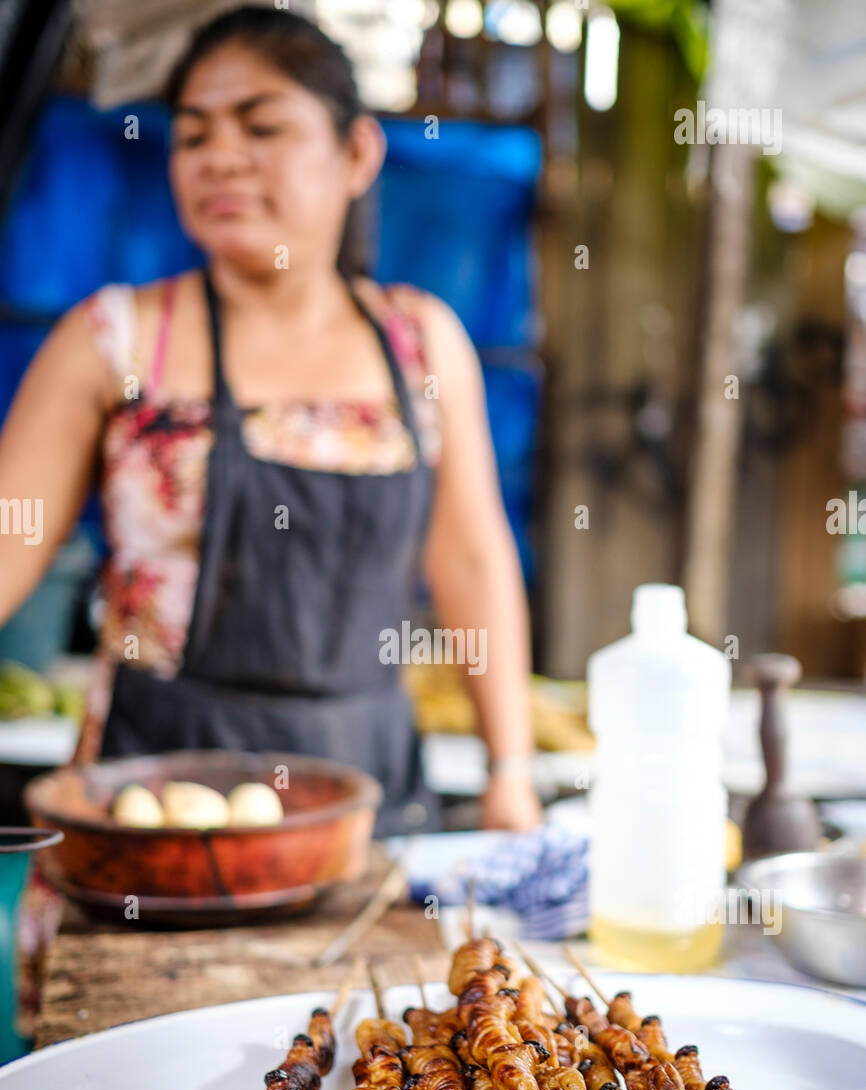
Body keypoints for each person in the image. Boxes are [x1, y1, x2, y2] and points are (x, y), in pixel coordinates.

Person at [0, 6, 540, 835]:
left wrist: (510, 772)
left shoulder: (422, 344)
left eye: (262, 127)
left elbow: (471, 559)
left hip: (367, 805)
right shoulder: (113, 339)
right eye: (193, 136)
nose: (221, 159)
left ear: (356, 152)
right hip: (149, 807)